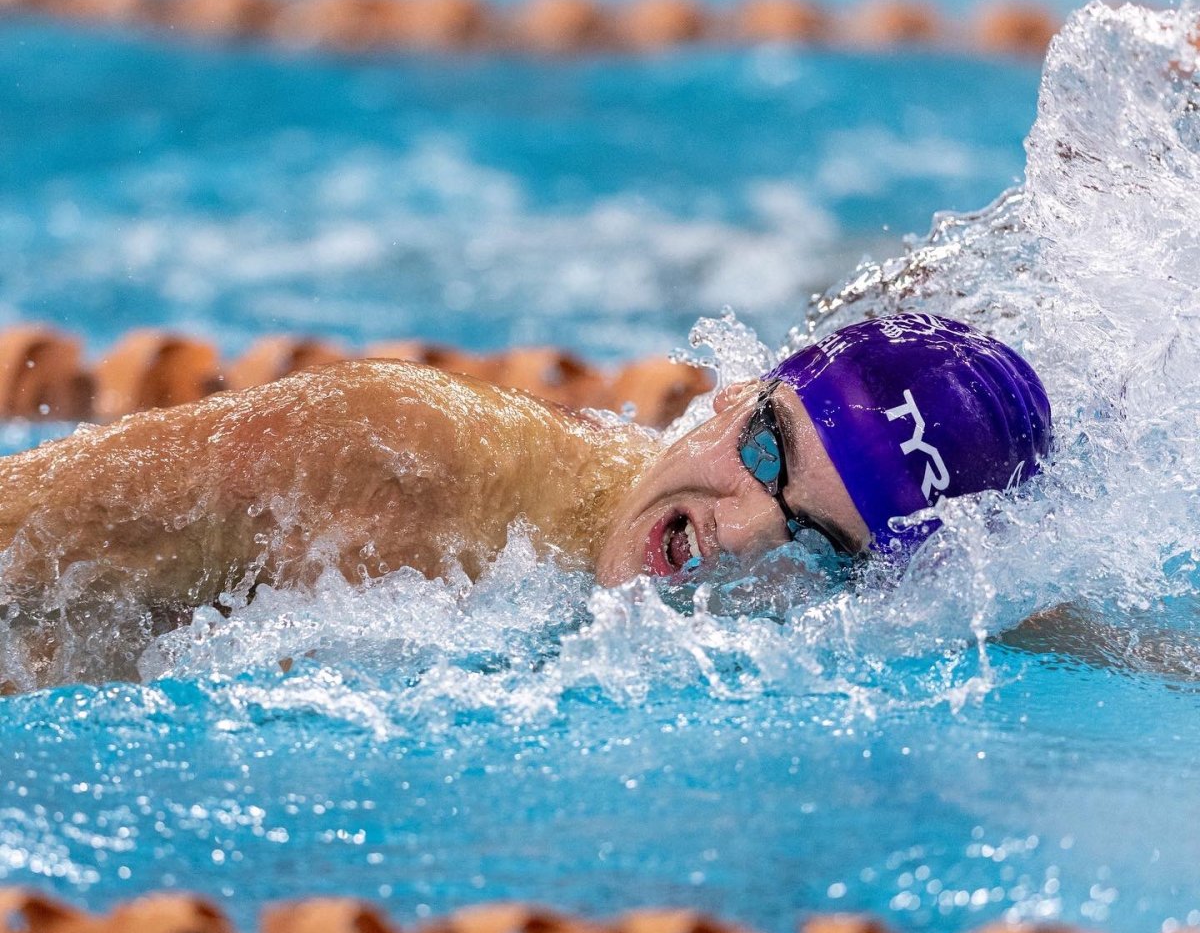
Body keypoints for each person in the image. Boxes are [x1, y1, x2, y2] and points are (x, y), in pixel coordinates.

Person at [0, 313, 1050, 685]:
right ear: (736, 396)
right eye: (769, 455)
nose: (735, 533)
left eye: (816, 545)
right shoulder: (390, 461)